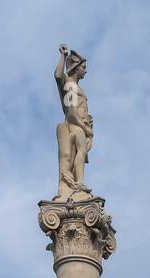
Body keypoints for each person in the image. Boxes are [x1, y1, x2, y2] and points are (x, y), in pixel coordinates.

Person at [54, 45, 94, 201]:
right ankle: (79, 184)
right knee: (80, 151)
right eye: (83, 67)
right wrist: (63, 57)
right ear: (76, 67)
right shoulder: (70, 86)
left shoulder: (75, 86)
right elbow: (70, 113)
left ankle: (76, 184)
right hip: (75, 127)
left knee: (79, 153)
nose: (85, 70)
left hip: (81, 127)